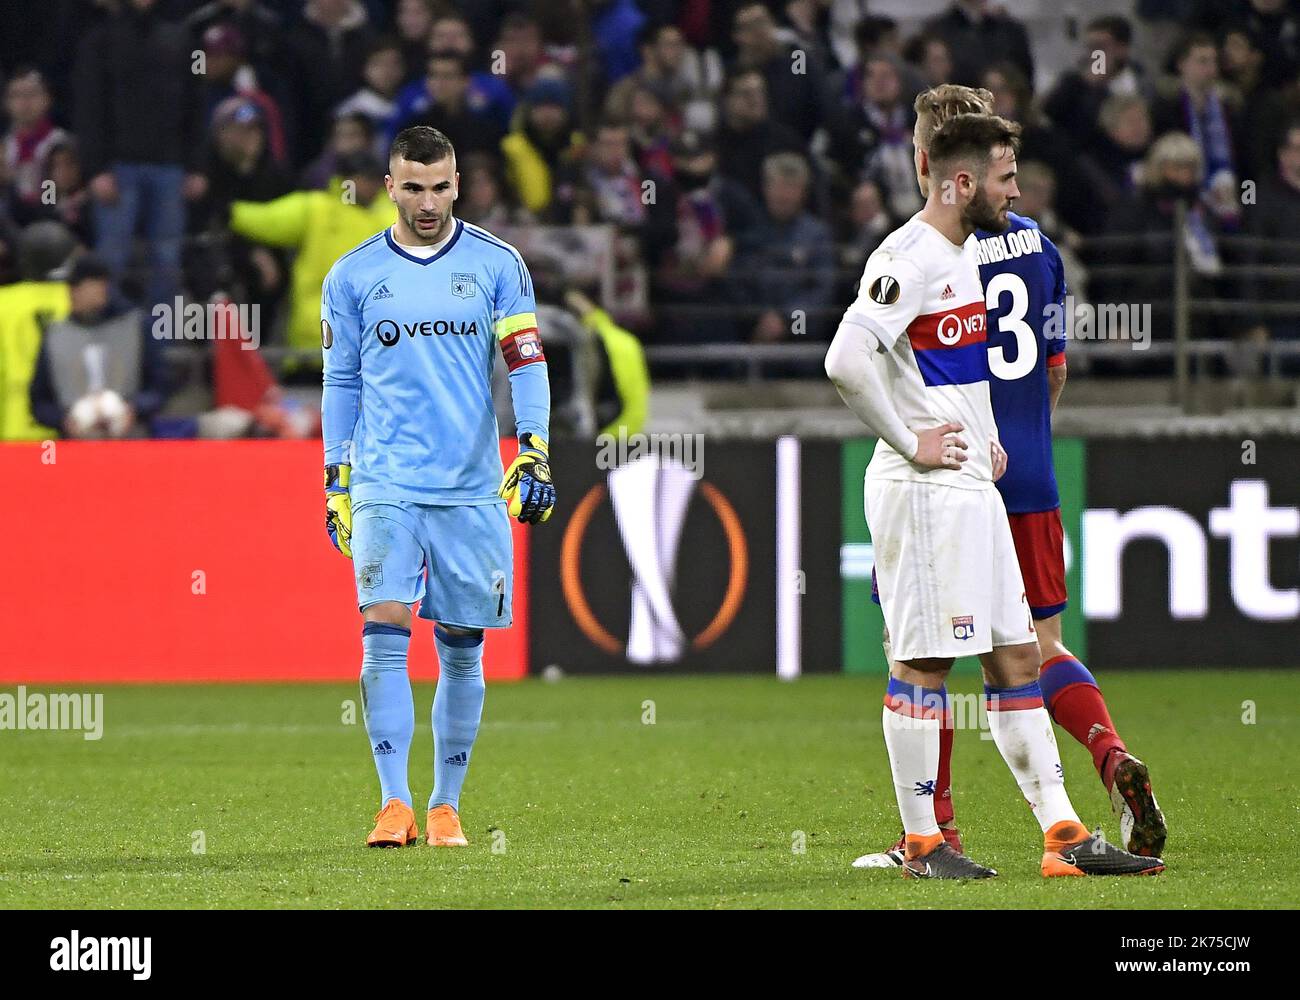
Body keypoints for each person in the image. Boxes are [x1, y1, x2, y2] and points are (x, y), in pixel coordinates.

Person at [824, 111, 1164, 879]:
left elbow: (951, 369)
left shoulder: (966, 254)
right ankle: (922, 843)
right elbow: (845, 359)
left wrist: (980, 432)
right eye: (1007, 179)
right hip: (923, 490)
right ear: (965, 181)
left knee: (1015, 657)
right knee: (924, 662)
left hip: (976, 484)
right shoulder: (907, 256)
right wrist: (913, 439)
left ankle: (1065, 838)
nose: (1018, 193)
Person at [320, 126, 555, 848]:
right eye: (414, 187)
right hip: (388, 480)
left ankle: (446, 804)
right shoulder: (353, 275)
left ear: (459, 184)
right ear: (389, 186)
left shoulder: (497, 264)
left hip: (470, 488)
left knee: (460, 644)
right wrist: (337, 475)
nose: (428, 201)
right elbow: (342, 378)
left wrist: (536, 450)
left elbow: (525, 363)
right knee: (384, 624)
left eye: (441, 186)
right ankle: (394, 804)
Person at [29, 254, 168, 438]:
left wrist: (133, 408)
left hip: (132, 442)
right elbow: (39, 402)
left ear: (101, 286)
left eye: (76, 287)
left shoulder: (136, 327)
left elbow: (160, 388)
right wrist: (63, 420)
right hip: (76, 448)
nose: (70, 294)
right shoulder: (55, 334)